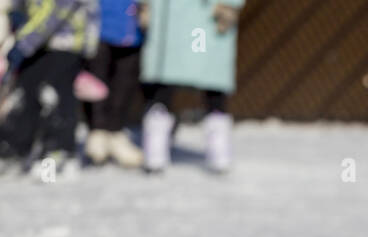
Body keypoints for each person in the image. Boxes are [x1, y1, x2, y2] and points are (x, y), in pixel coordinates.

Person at [137, 0, 242, 173]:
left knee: (212, 78)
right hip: (166, 17)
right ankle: (155, 149)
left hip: (208, 16)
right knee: (161, 83)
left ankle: (219, 147)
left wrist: (230, 3)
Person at [0, 0, 99, 178]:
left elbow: (57, 10)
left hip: (67, 40)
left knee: (53, 97)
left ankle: (55, 159)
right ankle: (12, 152)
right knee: (25, 94)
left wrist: (24, 42)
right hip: (38, 42)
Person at [84, 0, 143, 167]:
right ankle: (97, 133)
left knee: (124, 85)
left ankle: (115, 133)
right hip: (97, 26)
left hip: (132, 29)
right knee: (96, 84)